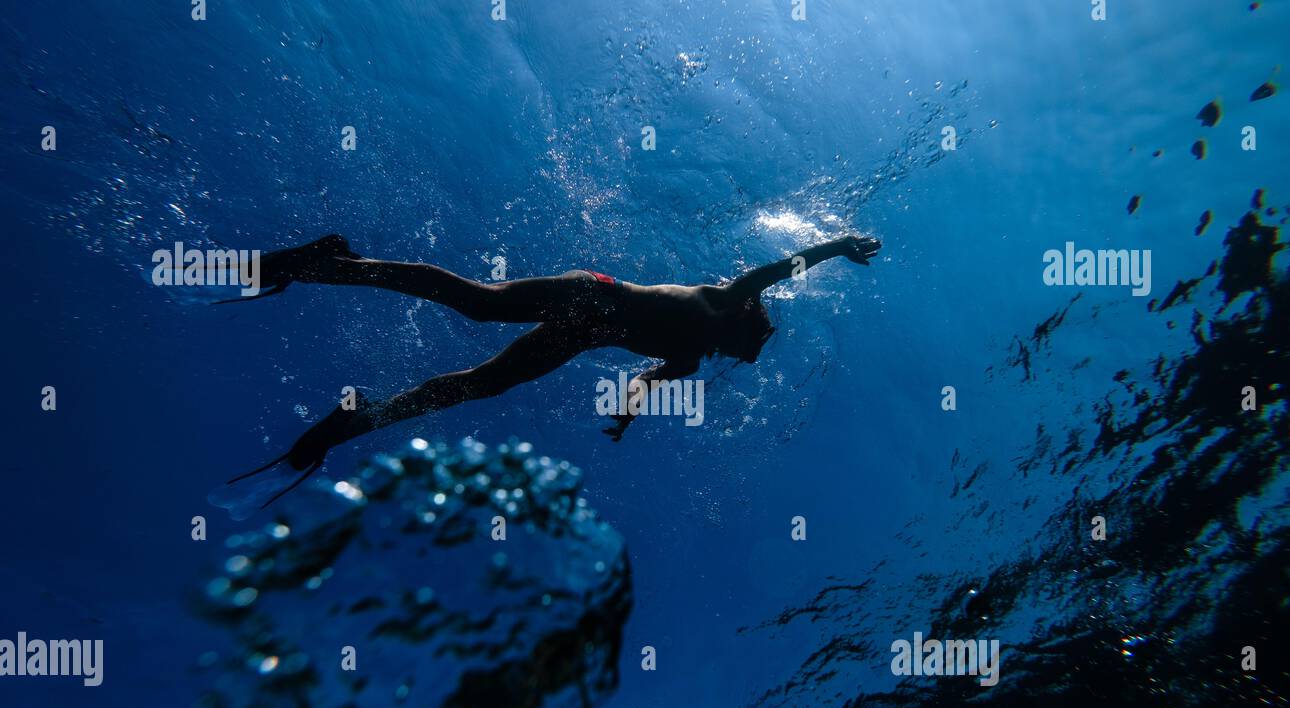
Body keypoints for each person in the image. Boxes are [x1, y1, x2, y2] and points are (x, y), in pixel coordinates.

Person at [221, 232, 881, 506]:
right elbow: (778, 267)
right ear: (748, 326)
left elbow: (646, 382)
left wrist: (626, 414)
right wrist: (839, 248)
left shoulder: (686, 360)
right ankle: (333, 261)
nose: (741, 361)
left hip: (580, 336)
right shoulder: (725, 301)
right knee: (478, 305)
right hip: (590, 295)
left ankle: (357, 420)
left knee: (483, 384)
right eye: (750, 350)